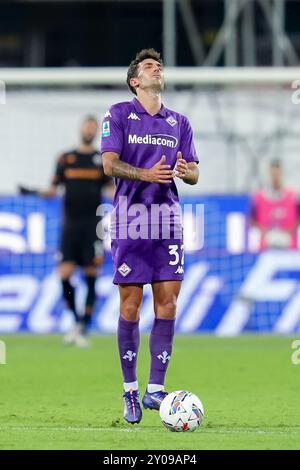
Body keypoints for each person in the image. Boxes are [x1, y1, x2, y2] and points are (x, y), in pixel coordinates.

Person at [101, 48, 199, 424]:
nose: (156, 67)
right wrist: (144, 175)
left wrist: (183, 170)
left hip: (168, 221)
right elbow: (109, 163)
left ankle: (156, 390)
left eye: (158, 64)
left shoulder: (180, 122)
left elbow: (193, 174)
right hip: (132, 219)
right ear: (135, 81)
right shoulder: (119, 114)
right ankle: (129, 390)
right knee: (130, 306)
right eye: (147, 66)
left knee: (168, 304)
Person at [20, 116, 114, 346]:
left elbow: (111, 190)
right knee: (64, 274)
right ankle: (76, 322)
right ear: (81, 129)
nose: (90, 130)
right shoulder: (66, 159)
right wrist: (34, 191)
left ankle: (83, 326)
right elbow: (54, 189)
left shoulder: (101, 160)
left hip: (93, 227)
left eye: (94, 128)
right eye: (87, 126)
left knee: (91, 274)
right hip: (70, 227)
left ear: (97, 133)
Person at [250, 160, 299, 250]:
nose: (275, 177)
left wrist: (288, 232)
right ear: (269, 174)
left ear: (281, 173)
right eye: (273, 174)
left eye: (278, 174)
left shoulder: (293, 196)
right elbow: (252, 220)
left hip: (289, 244)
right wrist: (265, 232)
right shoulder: (259, 197)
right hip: (266, 245)